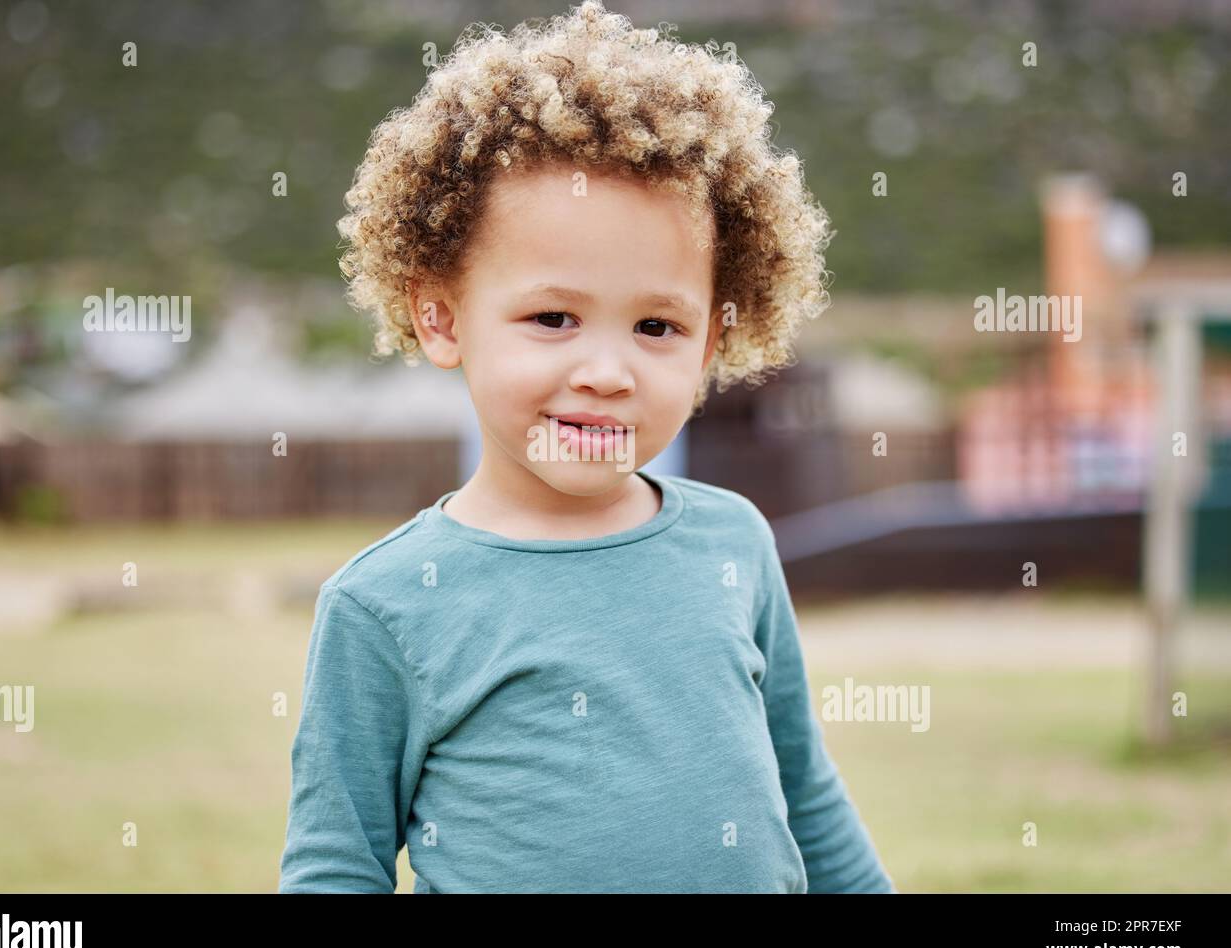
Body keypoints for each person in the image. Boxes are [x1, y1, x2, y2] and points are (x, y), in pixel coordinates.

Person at [278, 0, 894, 893]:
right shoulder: (383, 606)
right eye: (553, 317)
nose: (607, 371)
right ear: (440, 317)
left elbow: (808, 796)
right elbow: (337, 864)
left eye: (656, 324)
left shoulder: (736, 547)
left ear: (713, 342)